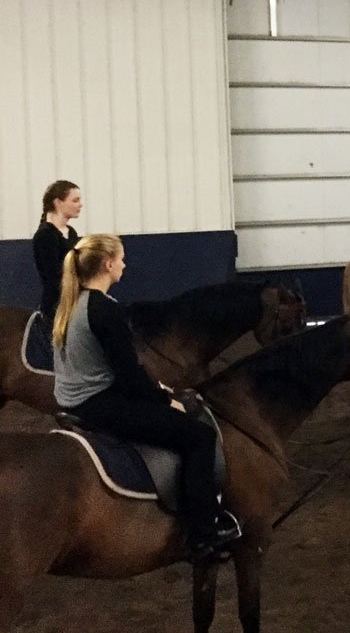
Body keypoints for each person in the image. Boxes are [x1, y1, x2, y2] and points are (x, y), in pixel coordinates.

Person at [52, 234, 240, 561]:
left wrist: (157, 390)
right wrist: (166, 401)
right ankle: (203, 535)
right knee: (199, 437)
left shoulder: (72, 303)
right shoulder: (105, 311)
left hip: (73, 400)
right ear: (108, 264)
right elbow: (128, 376)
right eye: (121, 259)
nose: (124, 264)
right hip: (100, 405)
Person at [33, 180, 83, 319]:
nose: (80, 204)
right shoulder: (46, 235)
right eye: (75, 200)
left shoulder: (71, 232)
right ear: (58, 202)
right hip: (57, 306)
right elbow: (53, 277)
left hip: (73, 299)